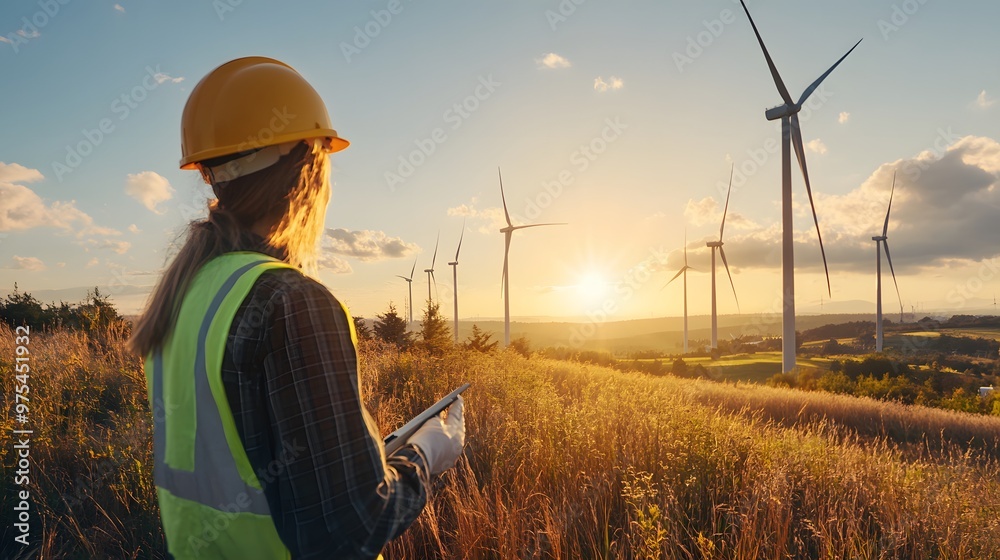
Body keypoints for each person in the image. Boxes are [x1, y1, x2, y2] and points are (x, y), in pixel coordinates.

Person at [128, 56, 465, 560]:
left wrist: (370, 459)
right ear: (307, 168)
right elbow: (350, 530)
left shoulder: (184, 296)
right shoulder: (292, 303)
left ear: (211, 176)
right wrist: (428, 452)